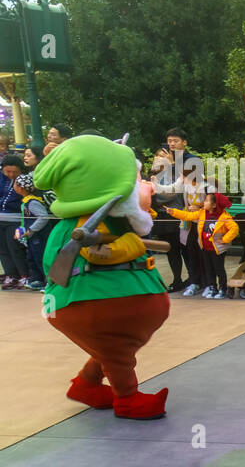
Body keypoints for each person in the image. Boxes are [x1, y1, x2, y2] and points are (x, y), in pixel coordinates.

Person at [34, 135, 171, 419]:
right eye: (137, 179)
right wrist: (132, 243)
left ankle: (86, 384)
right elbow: (98, 253)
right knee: (114, 348)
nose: (147, 184)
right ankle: (128, 399)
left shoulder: (113, 219)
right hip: (89, 301)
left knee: (109, 347)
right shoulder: (86, 223)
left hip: (99, 301)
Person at [150, 128, 204, 292]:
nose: (171, 144)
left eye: (175, 141)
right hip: (164, 213)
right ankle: (179, 280)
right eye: (170, 141)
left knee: (190, 249)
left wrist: (173, 164)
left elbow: (191, 184)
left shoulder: (192, 160)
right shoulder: (162, 164)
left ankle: (197, 279)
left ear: (184, 142)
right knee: (172, 249)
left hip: (186, 211)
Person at [166, 188, 239, 298]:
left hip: (218, 249)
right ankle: (212, 287)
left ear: (214, 205)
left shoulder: (224, 217)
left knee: (219, 269)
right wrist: (174, 212)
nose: (203, 202)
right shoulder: (202, 213)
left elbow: (234, 228)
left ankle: (223, 289)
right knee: (209, 269)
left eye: (206, 201)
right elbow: (188, 216)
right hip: (205, 248)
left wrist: (224, 239)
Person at [0, 154, 30, 288]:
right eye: (7, 171)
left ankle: (24, 275)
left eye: (15, 172)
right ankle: (10, 275)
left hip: (16, 220)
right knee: (2, 249)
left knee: (15, 247)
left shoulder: (25, 180)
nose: (11, 174)